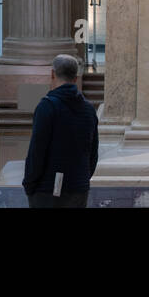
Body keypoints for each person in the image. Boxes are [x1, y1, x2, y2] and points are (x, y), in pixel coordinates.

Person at [22, 54, 99, 208]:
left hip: (47, 190)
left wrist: (29, 184)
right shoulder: (89, 109)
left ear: (52, 74)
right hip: (79, 189)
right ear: (76, 78)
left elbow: (37, 151)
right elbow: (93, 152)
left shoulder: (47, 107)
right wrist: (81, 179)